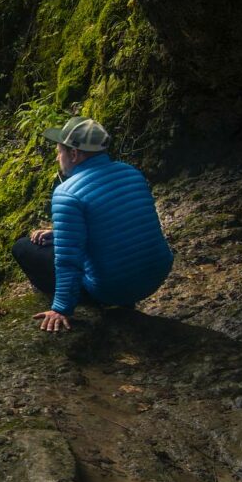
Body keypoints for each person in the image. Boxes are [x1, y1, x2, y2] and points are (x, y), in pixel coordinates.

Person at [12, 116, 173, 331]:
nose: (58, 157)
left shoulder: (67, 193)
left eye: (59, 152)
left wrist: (61, 308)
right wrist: (60, 234)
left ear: (74, 154)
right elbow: (117, 226)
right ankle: (126, 302)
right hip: (155, 274)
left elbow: (69, 260)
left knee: (23, 248)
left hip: (112, 289)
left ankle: (101, 303)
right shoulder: (131, 173)